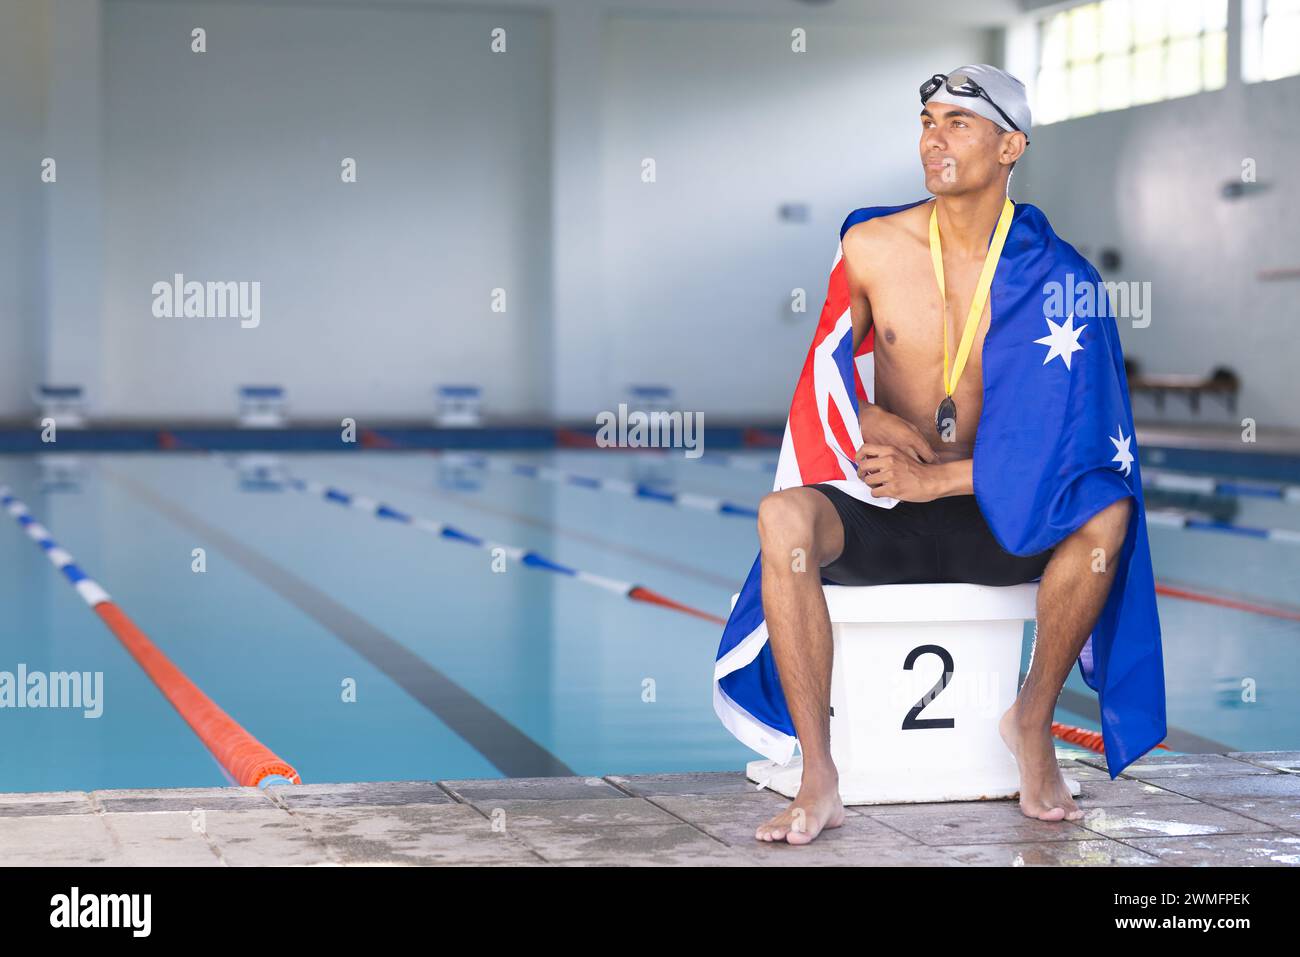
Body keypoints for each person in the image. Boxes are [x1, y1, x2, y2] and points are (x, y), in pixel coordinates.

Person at [742, 65, 1145, 844]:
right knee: (781, 516)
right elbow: (821, 376)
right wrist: (863, 417)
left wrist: (939, 480)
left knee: (1105, 513)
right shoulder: (869, 245)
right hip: (886, 505)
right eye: (928, 120)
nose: (935, 137)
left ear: (1010, 147)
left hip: (1000, 517)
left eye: (959, 123)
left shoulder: (1064, 280)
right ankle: (820, 774)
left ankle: (1030, 720)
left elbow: (1077, 444)